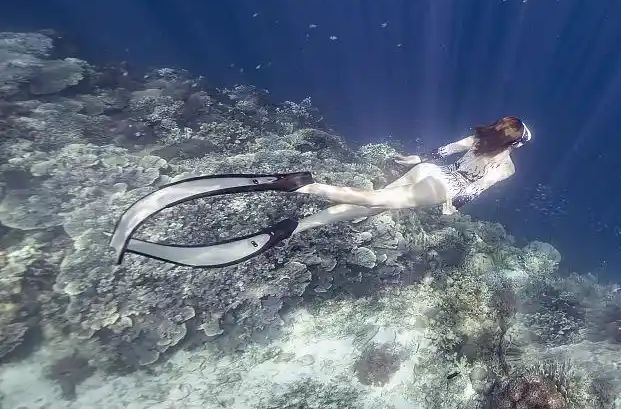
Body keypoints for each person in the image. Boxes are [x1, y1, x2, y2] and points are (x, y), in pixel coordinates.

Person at [109, 116, 532, 268]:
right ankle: (301, 184)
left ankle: (296, 227)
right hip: (441, 187)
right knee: (374, 202)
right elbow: (470, 193)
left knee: (364, 210)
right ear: (514, 145)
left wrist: (411, 161)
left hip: (429, 170)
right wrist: (450, 209)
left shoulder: (475, 140)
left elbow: (436, 152)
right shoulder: (506, 167)